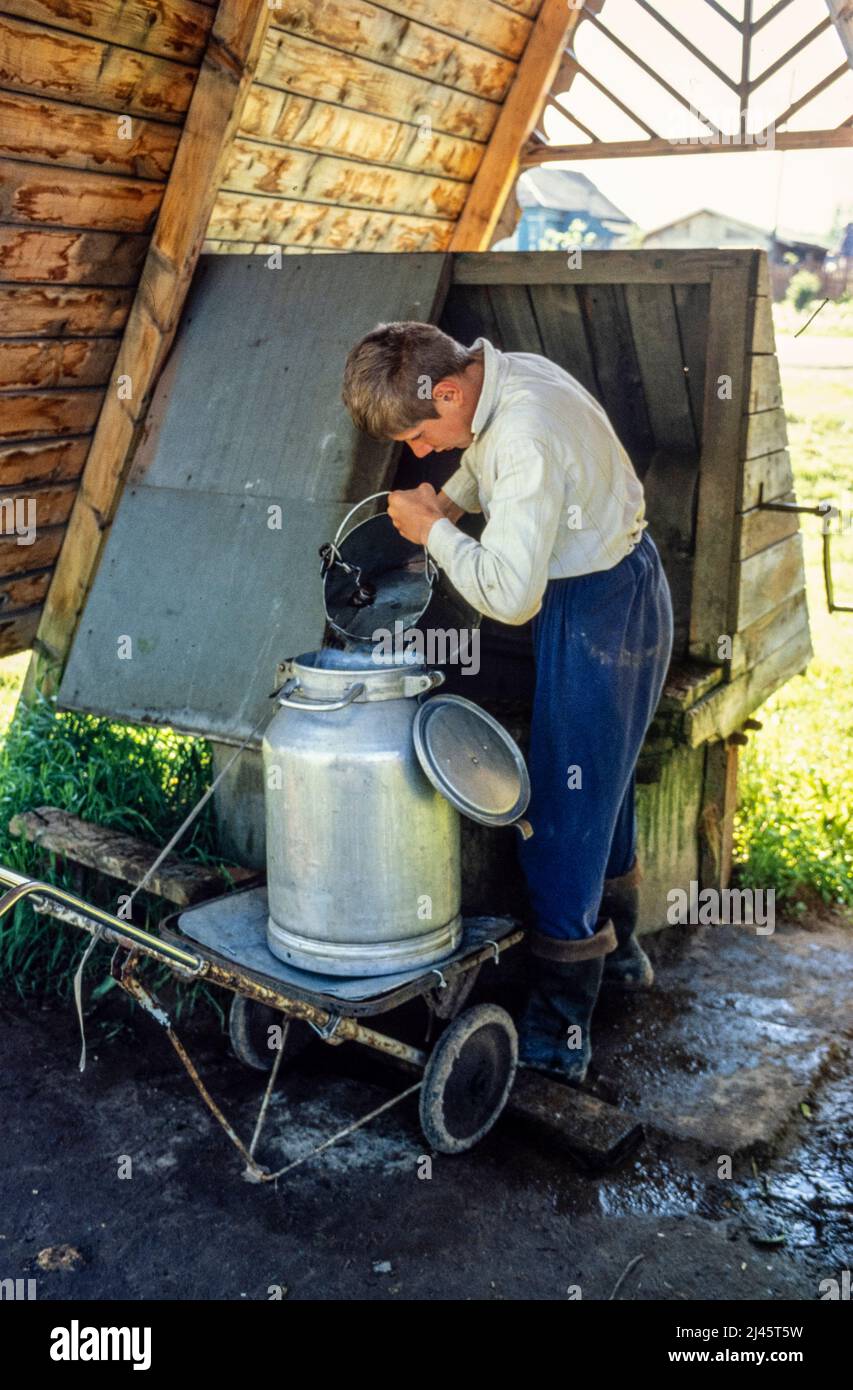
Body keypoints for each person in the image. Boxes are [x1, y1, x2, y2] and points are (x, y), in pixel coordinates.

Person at [341, 321, 674, 1085]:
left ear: (448, 389)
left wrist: (430, 532)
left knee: (561, 808)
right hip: (615, 585)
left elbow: (507, 596)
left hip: (595, 607)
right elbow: (487, 458)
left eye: (422, 432)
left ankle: (559, 1031)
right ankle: (620, 958)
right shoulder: (507, 373)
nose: (422, 451)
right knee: (605, 787)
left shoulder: (522, 434)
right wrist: (453, 502)